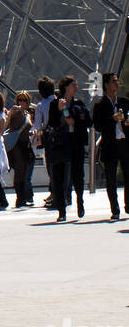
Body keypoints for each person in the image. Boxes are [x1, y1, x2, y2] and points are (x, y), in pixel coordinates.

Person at [46, 76, 90, 222]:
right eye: (73, 85)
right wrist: (59, 111)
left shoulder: (79, 104)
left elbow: (89, 121)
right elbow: (51, 122)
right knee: (58, 177)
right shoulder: (55, 103)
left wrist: (76, 121)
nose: (76, 87)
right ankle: (61, 210)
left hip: (75, 142)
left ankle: (79, 200)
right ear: (65, 87)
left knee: (78, 175)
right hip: (60, 143)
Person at [92, 72, 129, 221]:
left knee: (128, 176)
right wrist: (112, 119)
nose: (117, 84)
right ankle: (115, 209)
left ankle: (128, 205)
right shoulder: (100, 105)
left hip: (124, 142)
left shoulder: (124, 102)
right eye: (114, 81)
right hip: (110, 145)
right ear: (106, 85)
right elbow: (98, 125)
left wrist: (125, 119)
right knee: (111, 179)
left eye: (117, 81)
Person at [31, 76, 57, 208]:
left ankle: (54, 192)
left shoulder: (41, 105)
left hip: (49, 138)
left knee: (51, 167)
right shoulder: (60, 101)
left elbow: (37, 126)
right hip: (62, 136)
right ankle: (60, 193)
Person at [6, 91, 34, 207]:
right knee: (19, 171)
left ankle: (23, 197)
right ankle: (20, 198)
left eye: (25, 100)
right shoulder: (16, 112)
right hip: (16, 145)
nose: (22, 102)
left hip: (25, 144)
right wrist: (9, 115)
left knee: (24, 171)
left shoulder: (27, 113)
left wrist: (31, 132)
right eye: (20, 100)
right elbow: (6, 126)